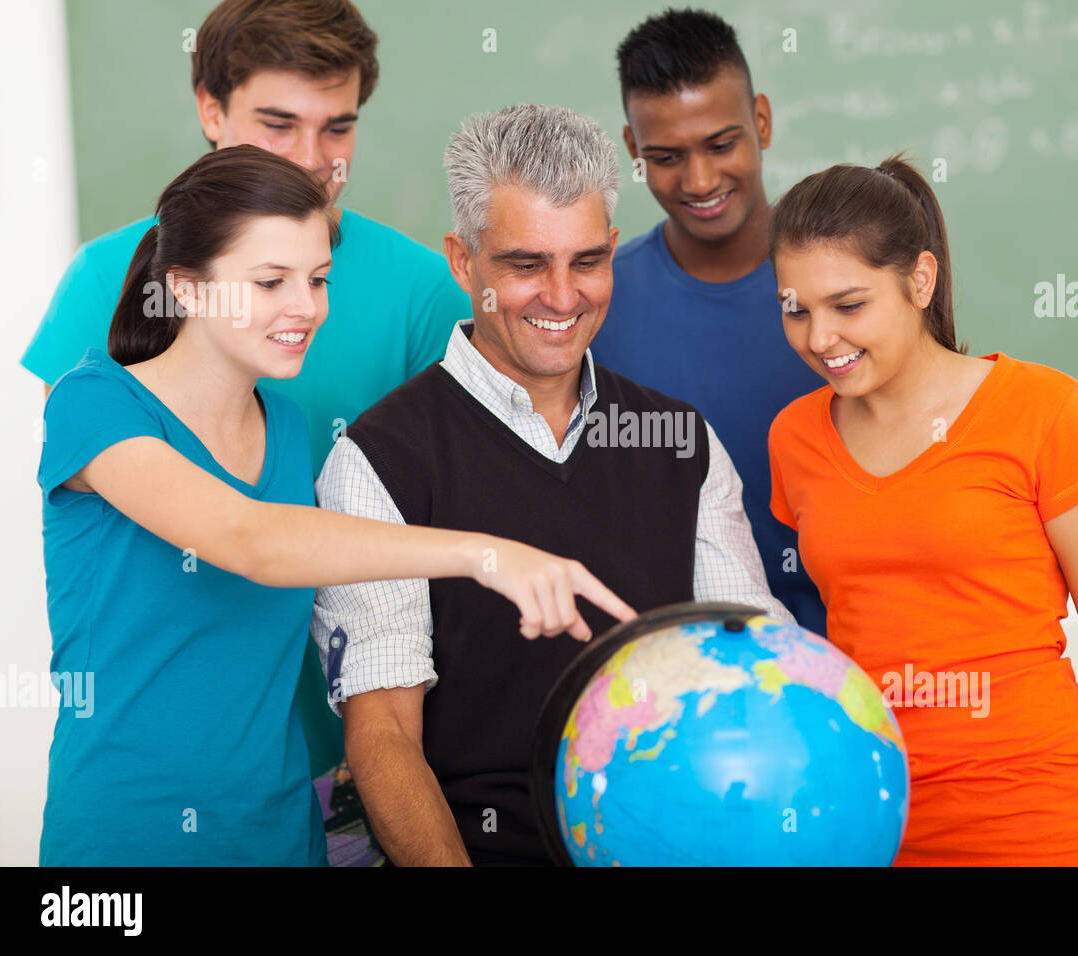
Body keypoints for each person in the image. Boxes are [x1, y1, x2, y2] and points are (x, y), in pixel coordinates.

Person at [37, 145, 634, 866]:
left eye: (316, 279)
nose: (305, 308)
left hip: (281, 836)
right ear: (187, 288)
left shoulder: (285, 426)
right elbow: (249, 539)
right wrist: (483, 553)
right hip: (124, 842)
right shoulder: (95, 401)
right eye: (270, 282)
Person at [311, 104, 792, 867]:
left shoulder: (684, 443)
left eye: (586, 262)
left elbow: (758, 673)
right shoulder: (379, 462)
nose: (563, 298)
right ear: (464, 262)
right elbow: (386, 736)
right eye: (526, 265)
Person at [20, 0, 470, 781]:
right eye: (277, 122)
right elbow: (153, 532)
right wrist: (494, 558)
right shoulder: (104, 284)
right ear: (210, 109)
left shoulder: (422, 294)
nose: (312, 158)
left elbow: (454, 493)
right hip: (158, 775)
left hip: (360, 759)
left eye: (339, 125)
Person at [766, 155, 1078, 866]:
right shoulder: (794, 438)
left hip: (1037, 833)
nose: (819, 338)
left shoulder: (1043, 412)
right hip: (869, 833)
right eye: (795, 309)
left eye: (849, 305)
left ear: (920, 280)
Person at [588, 9, 827, 635]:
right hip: (672, 663)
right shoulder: (595, 303)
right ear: (634, 149)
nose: (700, 180)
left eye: (722, 144)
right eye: (667, 155)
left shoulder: (855, 287)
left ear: (763, 122)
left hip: (853, 653)